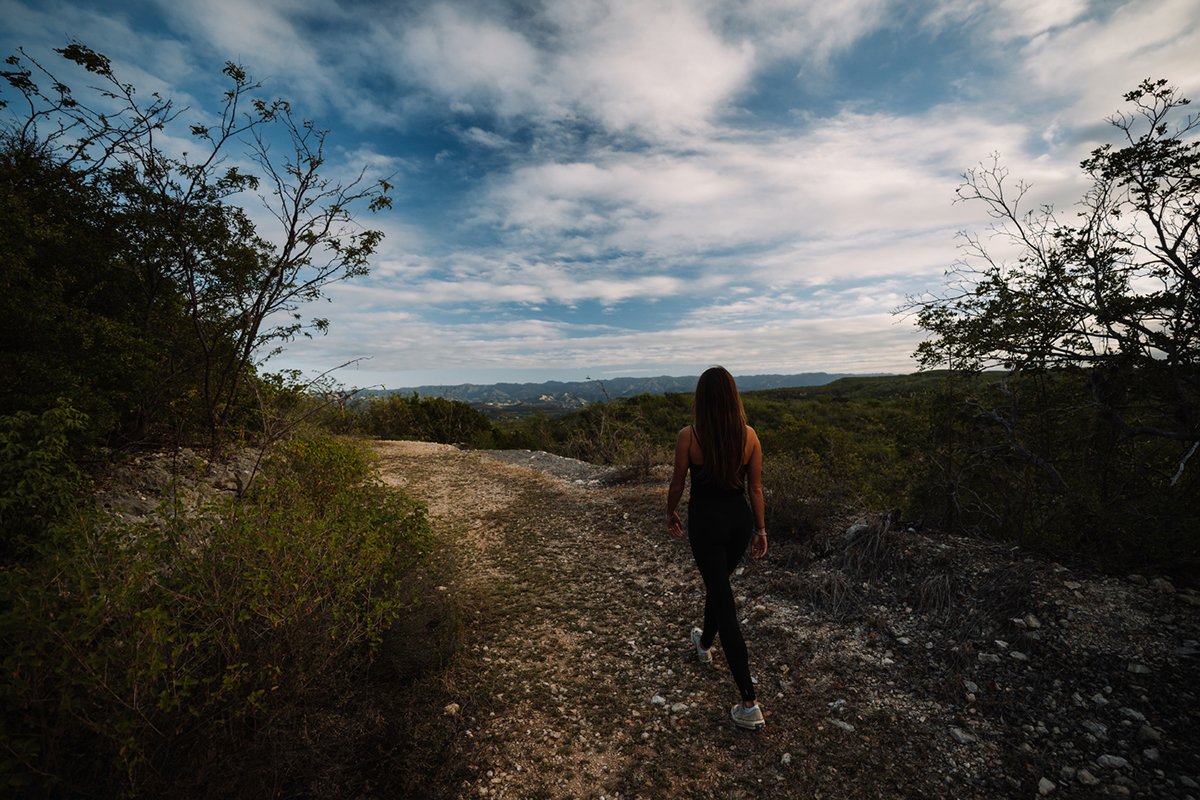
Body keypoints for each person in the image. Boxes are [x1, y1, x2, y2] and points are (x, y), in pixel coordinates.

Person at [667, 366, 768, 730]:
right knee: (719, 587)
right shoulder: (750, 436)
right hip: (739, 522)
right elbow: (755, 489)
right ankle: (704, 644)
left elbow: (678, 483)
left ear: (702, 399)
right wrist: (760, 528)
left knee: (725, 603)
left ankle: (749, 702)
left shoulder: (688, 436)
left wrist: (670, 512)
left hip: (706, 524)